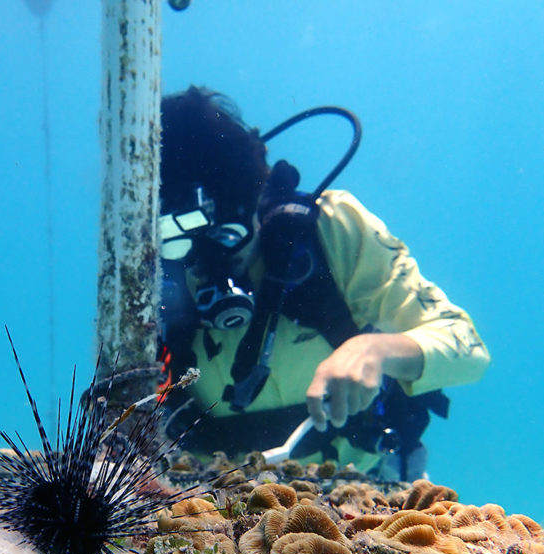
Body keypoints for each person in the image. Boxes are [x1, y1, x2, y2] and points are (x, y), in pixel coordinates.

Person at [157, 87, 490, 481]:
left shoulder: (331, 230)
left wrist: (377, 349)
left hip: (362, 481)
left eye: (227, 236)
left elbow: (467, 346)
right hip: (209, 493)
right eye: (181, 243)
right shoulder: (141, 276)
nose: (209, 260)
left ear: (256, 196)